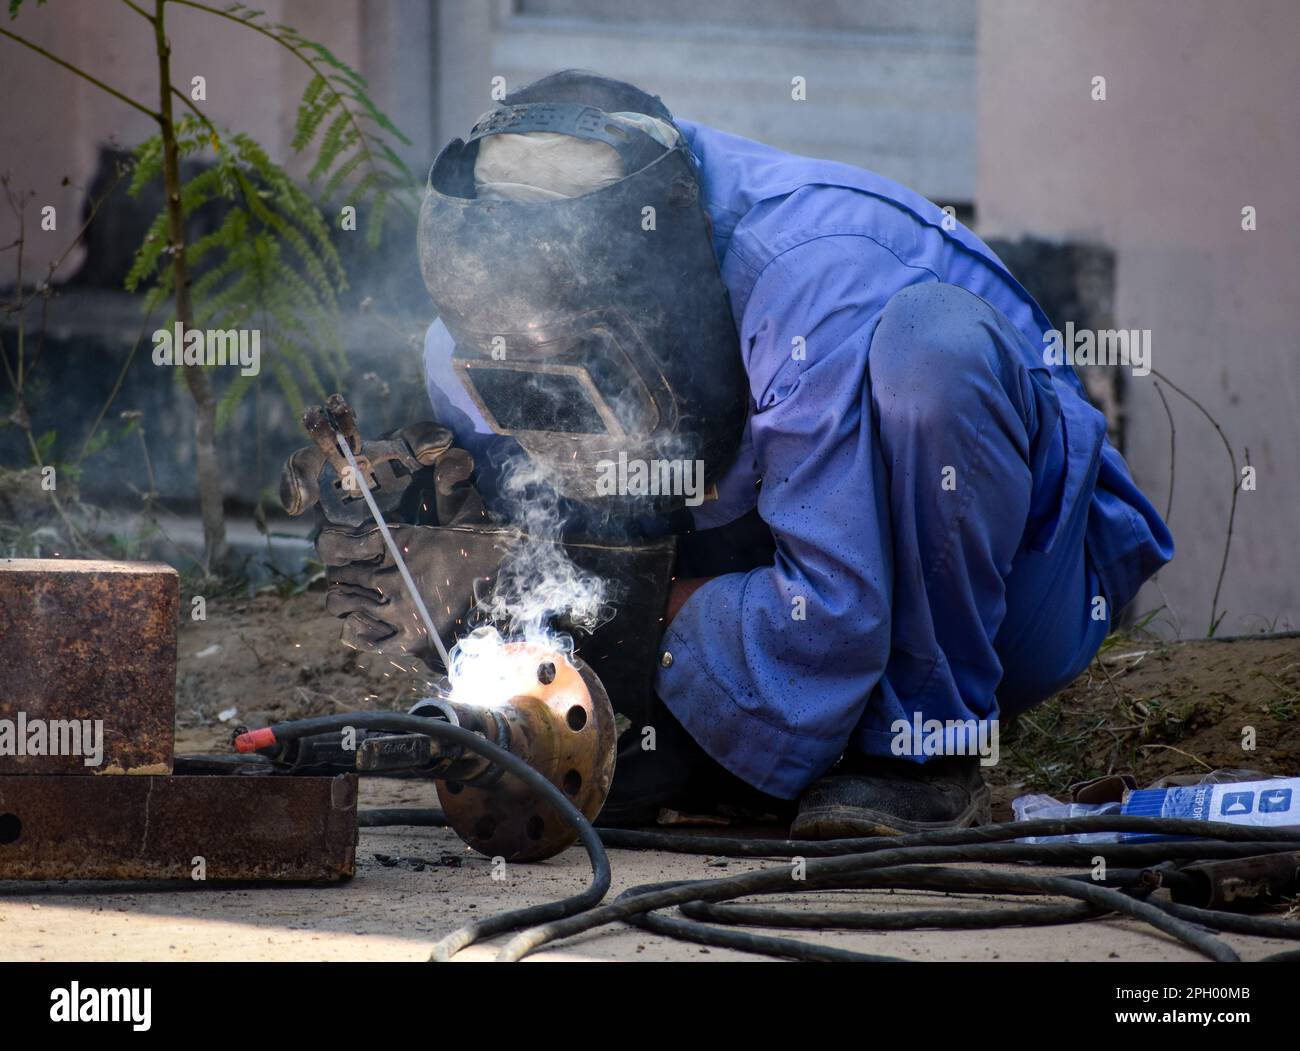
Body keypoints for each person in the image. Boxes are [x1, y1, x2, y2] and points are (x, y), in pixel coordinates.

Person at [287, 71, 1173, 837]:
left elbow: (834, 616)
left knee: (928, 355)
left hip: (1013, 591)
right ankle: (738, 753)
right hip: (760, 557)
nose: (532, 393)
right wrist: (461, 589)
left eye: (567, 360)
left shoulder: (813, 279)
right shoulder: (467, 348)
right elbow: (552, 583)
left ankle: (923, 759)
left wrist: (628, 608)